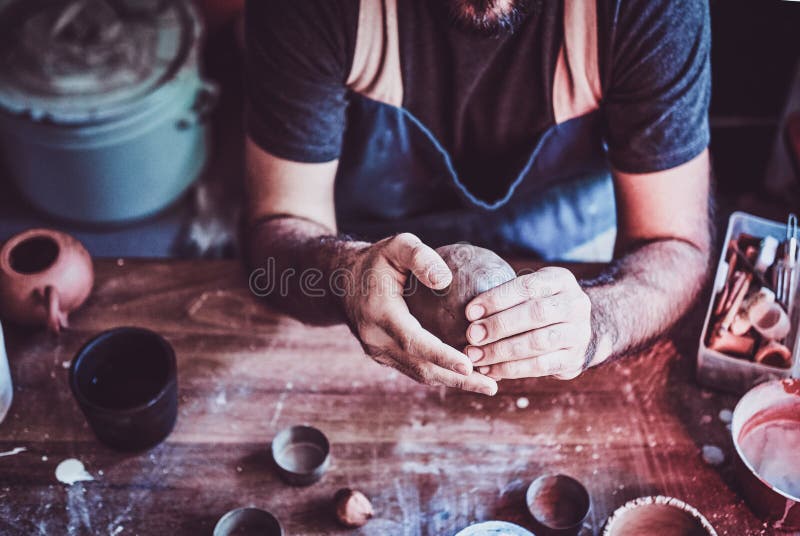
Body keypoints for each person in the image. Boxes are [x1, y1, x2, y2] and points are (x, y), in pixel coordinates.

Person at [243, 0, 712, 396]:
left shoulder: (644, 9)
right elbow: (276, 230)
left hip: (575, 276)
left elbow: (674, 246)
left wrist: (598, 322)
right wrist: (345, 275)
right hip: (367, 273)